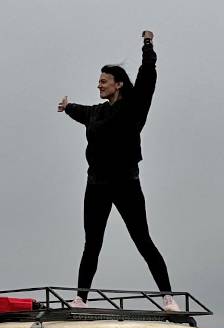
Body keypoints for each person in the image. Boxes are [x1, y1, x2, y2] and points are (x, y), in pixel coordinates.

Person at [58, 30, 179, 313]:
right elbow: (80, 111)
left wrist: (148, 45)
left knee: (142, 239)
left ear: (118, 85)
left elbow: (148, 74)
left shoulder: (134, 106)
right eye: (98, 81)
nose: (98, 85)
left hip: (126, 183)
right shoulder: (96, 113)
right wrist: (67, 107)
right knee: (92, 243)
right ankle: (81, 298)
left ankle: (168, 298)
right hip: (97, 185)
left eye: (103, 81)